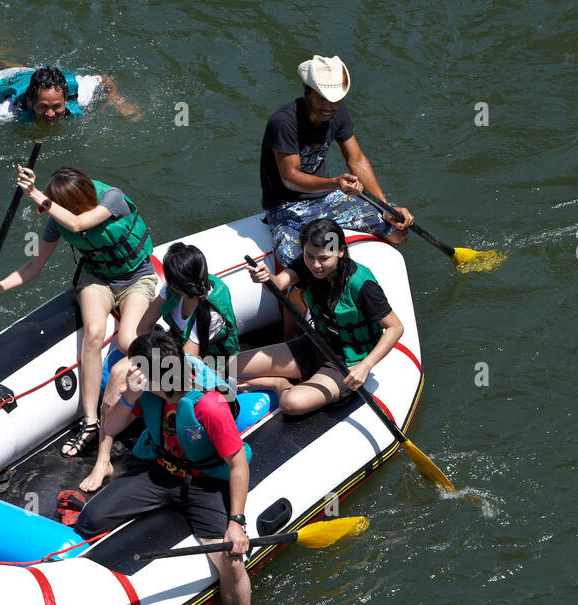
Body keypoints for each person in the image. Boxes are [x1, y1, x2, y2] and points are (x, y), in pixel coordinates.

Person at [75, 328, 260, 605]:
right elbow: (112, 425)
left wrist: (236, 523)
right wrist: (129, 395)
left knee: (230, 561)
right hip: (162, 471)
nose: (135, 373)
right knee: (92, 517)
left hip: (206, 482)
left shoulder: (208, 404)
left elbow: (237, 465)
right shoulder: (144, 388)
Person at [0, 165, 158, 457]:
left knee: (125, 340)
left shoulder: (112, 199)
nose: (59, 213)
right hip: (98, 279)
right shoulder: (57, 221)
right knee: (93, 333)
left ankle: (169, 376)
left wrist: (34, 193)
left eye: (65, 206)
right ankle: (91, 422)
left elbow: (79, 225)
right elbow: (32, 268)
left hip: (137, 277)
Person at [259, 53, 415, 272]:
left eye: (335, 99)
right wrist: (335, 183)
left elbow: (357, 159)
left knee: (398, 230)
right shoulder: (284, 122)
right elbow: (290, 178)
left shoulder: (337, 113)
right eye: (322, 98)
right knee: (302, 268)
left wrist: (385, 206)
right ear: (307, 90)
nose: (329, 106)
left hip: (327, 198)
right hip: (286, 207)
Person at [237, 218, 404, 416]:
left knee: (291, 403)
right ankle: (190, 379)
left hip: (346, 363)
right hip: (316, 345)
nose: (316, 265)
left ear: (340, 251)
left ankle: (278, 383)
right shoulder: (306, 265)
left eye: (324, 258)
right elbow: (278, 284)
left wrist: (364, 366)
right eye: (310, 256)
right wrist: (264, 278)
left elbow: (396, 327)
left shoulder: (361, 285)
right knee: (231, 366)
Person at [97, 242, 240, 429]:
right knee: (123, 374)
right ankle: (107, 427)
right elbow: (144, 326)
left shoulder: (212, 312)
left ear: (177, 283)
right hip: (177, 356)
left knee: (127, 378)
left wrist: (145, 372)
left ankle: (111, 428)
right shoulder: (172, 289)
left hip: (209, 365)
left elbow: (185, 363)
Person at [0, 62, 141, 180]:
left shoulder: (81, 93)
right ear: (29, 101)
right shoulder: (9, 110)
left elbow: (104, 79)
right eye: (43, 106)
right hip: (4, 78)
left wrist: (119, 102)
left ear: (66, 100)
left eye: (57, 106)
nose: (50, 114)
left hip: (30, 73)